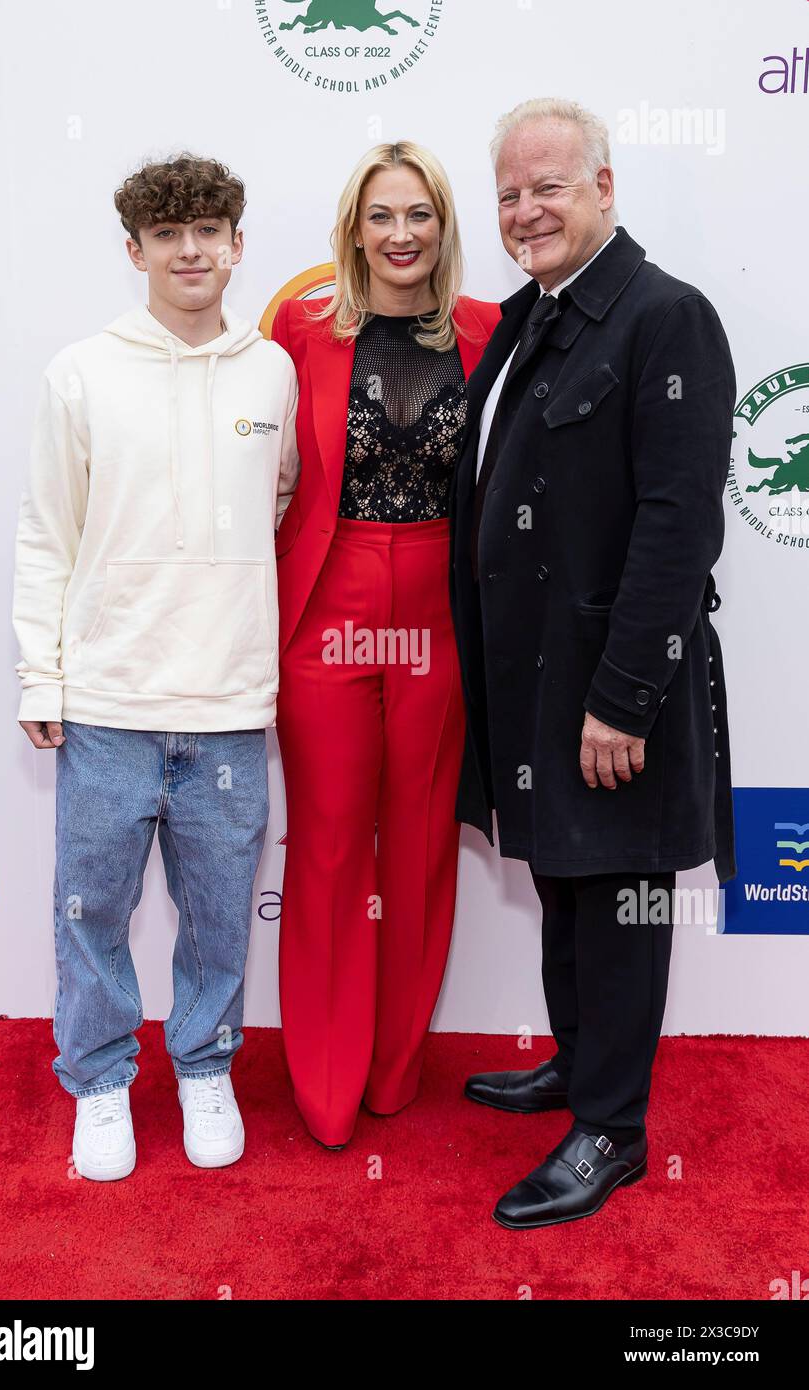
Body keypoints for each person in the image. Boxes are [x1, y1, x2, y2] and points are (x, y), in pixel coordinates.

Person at [449, 98, 736, 1228]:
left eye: (548, 188)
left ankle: (612, 1132)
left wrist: (622, 699)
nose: (526, 211)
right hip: (536, 680)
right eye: (510, 193)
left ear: (604, 189)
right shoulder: (534, 317)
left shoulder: (665, 319)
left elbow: (677, 525)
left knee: (616, 900)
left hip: (617, 688)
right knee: (567, 886)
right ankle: (578, 1070)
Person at [12, 153, 299, 1181]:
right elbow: (49, 532)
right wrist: (40, 677)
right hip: (107, 702)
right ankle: (96, 1082)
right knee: (90, 909)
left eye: (210, 232)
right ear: (134, 250)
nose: (192, 251)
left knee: (219, 913)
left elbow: (278, 505)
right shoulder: (80, 371)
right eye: (169, 235)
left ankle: (204, 1068)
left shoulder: (272, 370)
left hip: (227, 704)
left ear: (234, 244)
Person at [271, 142, 501, 1149]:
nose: (401, 233)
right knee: (324, 844)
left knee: (417, 847)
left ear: (443, 228)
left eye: (419, 215)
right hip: (328, 604)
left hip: (442, 612)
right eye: (382, 215)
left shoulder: (491, 331)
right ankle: (324, 1079)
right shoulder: (300, 329)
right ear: (352, 229)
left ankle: (394, 1066)